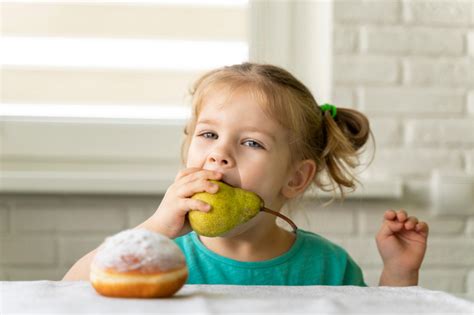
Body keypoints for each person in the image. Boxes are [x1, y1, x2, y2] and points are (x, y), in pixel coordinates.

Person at [63, 63, 429, 286]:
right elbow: (67, 294)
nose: (219, 154)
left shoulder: (328, 265)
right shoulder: (162, 254)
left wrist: (399, 273)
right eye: (208, 135)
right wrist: (157, 228)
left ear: (296, 178)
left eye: (252, 143)